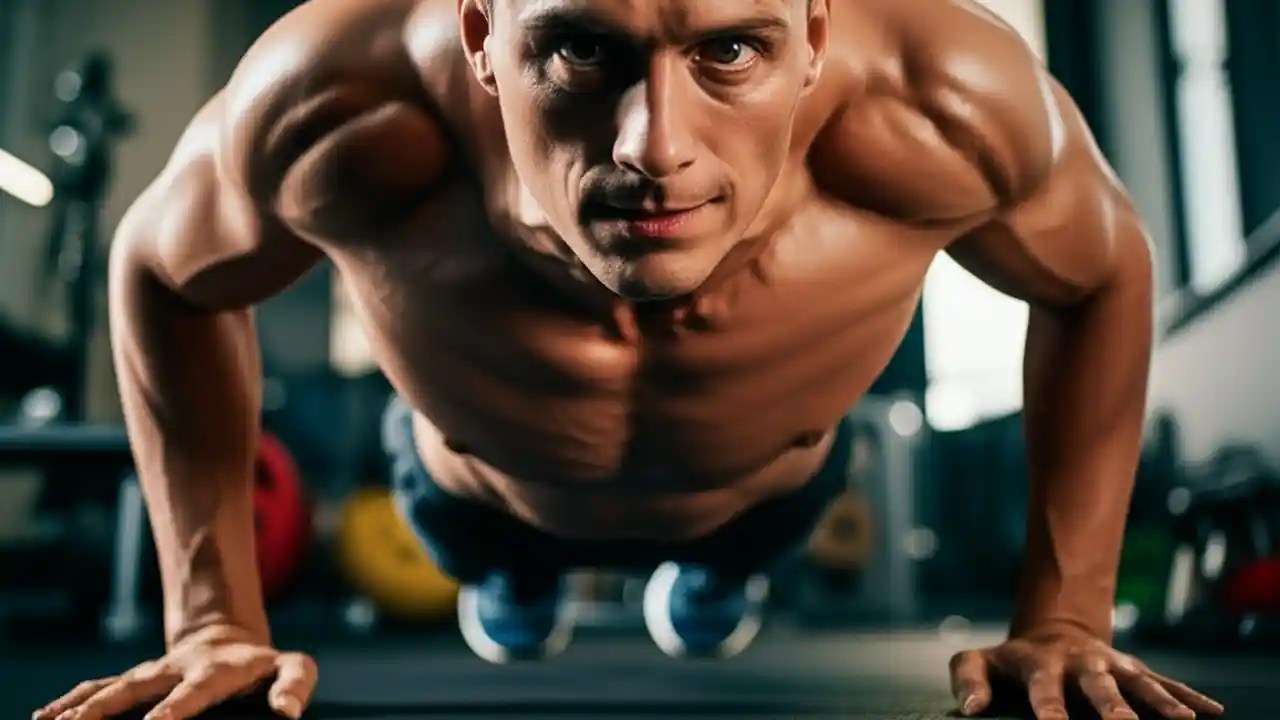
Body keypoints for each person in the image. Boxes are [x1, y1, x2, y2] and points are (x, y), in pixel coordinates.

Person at [34, 1, 1226, 719]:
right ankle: (517, 589)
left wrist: (1066, 617)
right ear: (479, 33)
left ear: (813, 31)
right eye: (577, 50)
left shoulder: (943, 102)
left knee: (717, 595)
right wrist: (209, 621)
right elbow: (157, 265)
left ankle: (707, 588)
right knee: (501, 592)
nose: (653, 144)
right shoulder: (343, 102)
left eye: (727, 52)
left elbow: (1104, 268)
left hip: (764, 500)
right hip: (476, 497)